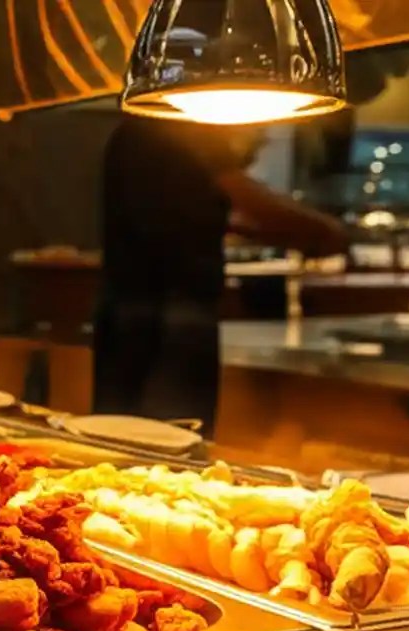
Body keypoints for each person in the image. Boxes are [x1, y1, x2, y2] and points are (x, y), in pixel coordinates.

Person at [94, 116, 349, 433]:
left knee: (119, 436)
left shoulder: (133, 132)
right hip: (173, 315)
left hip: (126, 311)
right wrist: (327, 230)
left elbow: (206, 214)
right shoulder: (182, 126)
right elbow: (246, 198)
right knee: (174, 439)